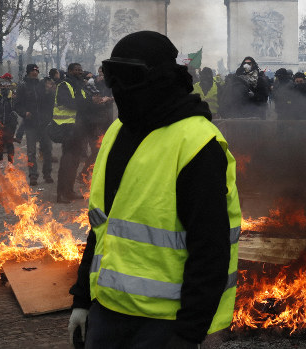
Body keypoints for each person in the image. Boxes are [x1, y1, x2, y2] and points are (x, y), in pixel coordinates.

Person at [68, 31, 240, 349]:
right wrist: (82, 297)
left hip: (166, 324)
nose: (117, 89)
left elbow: (210, 249)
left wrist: (189, 333)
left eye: (127, 78)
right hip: (106, 312)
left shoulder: (198, 143)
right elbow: (101, 226)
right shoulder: (116, 131)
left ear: (159, 78)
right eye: (112, 78)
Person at [53, 62, 91, 203]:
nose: (79, 72)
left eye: (80, 70)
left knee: (74, 162)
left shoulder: (79, 85)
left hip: (77, 129)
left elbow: (84, 103)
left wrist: (94, 101)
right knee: (67, 162)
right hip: (66, 129)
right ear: (69, 71)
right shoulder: (64, 85)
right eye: (76, 70)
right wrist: (87, 102)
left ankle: (69, 190)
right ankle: (61, 193)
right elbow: (68, 103)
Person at [14, 63, 54, 186]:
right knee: (31, 152)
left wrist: (51, 92)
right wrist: (24, 113)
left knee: (47, 149)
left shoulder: (42, 85)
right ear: (28, 72)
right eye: (32, 70)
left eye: (37, 70)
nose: (35, 72)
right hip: (30, 124)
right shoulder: (22, 86)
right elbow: (16, 104)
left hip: (44, 123)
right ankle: (33, 176)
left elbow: (50, 102)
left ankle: (47, 174)